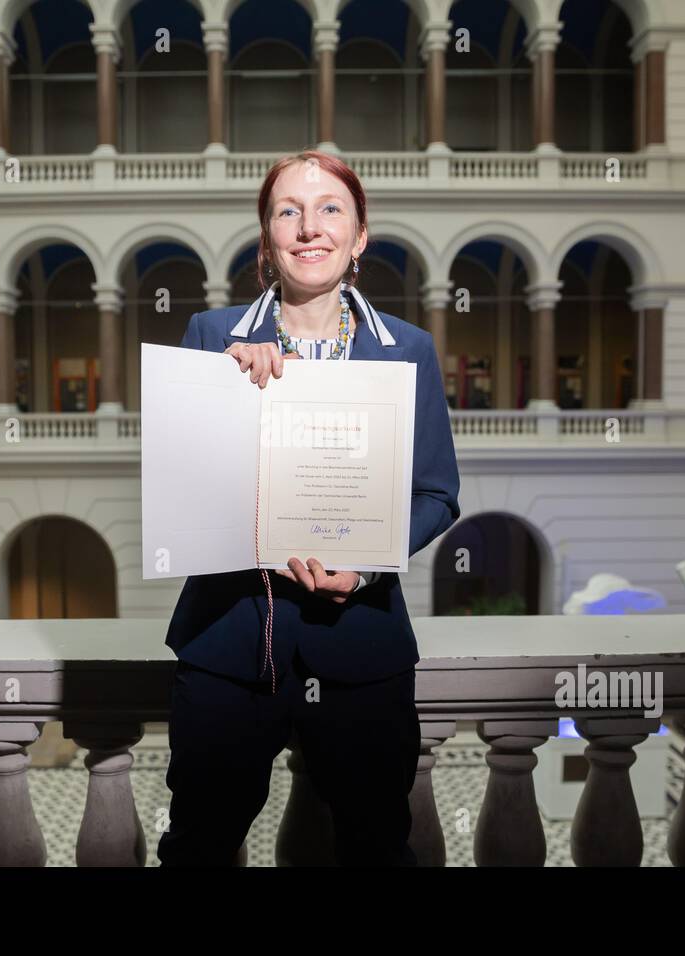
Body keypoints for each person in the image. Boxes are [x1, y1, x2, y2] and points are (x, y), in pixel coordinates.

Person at [156, 149, 460, 867]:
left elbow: (437, 494)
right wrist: (225, 395)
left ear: (358, 237)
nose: (308, 227)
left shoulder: (408, 350)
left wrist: (368, 565)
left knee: (377, 848)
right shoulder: (211, 335)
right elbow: (181, 482)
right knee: (197, 847)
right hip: (231, 643)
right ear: (267, 237)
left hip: (359, 646)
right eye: (288, 211)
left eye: (330, 210)